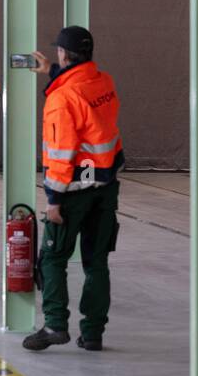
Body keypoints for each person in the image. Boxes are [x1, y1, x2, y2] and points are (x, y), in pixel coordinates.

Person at [22, 25, 125, 353]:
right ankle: (93, 333)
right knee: (97, 260)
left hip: (72, 191)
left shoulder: (60, 98)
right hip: (105, 187)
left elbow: (60, 151)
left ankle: (54, 325)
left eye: (58, 53)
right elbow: (85, 93)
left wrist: (53, 200)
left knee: (52, 258)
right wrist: (52, 72)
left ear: (65, 54)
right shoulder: (103, 82)